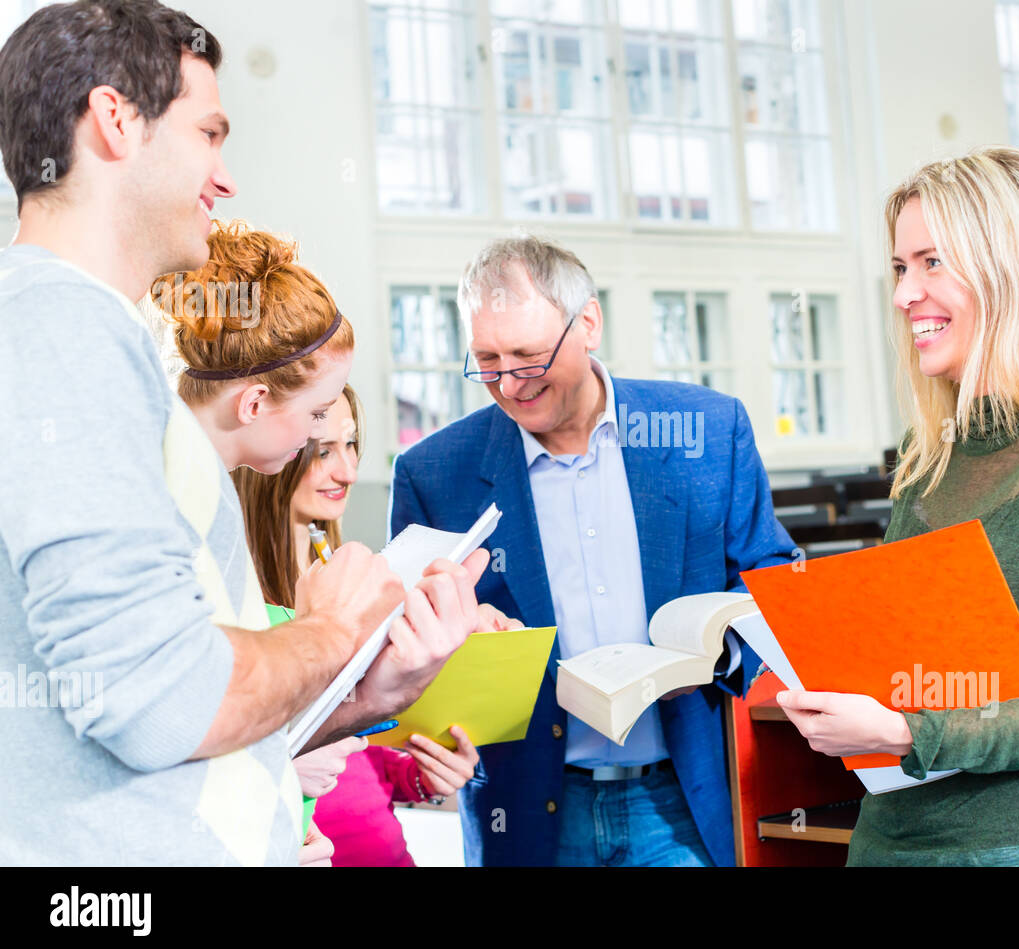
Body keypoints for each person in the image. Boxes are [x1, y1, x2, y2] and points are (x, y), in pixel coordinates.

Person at [0, 0, 479, 866]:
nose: (223, 179)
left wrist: (369, 694)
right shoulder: (61, 331)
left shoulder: (92, 337)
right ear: (116, 121)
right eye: (209, 134)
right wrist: (333, 631)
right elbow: (154, 700)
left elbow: (188, 722)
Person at [776, 146, 1019, 866]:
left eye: (932, 263)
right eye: (901, 269)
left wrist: (912, 733)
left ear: (1011, 273)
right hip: (888, 843)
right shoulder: (927, 452)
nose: (904, 295)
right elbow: (910, 666)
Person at [389, 235, 798, 867]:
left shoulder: (708, 431)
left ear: (588, 323)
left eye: (527, 357)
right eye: (487, 360)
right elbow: (411, 650)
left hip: (687, 796)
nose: (509, 383)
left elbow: (774, 580)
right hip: (529, 810)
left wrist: (713, 656)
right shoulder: (434, 472)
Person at [231, 383, 500, 866]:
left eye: (352, 444)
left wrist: (421, 773)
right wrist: (281, 764)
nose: (348, 471)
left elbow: (361, 752)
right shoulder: (234, 603)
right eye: (323, 450)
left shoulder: (354, 581)